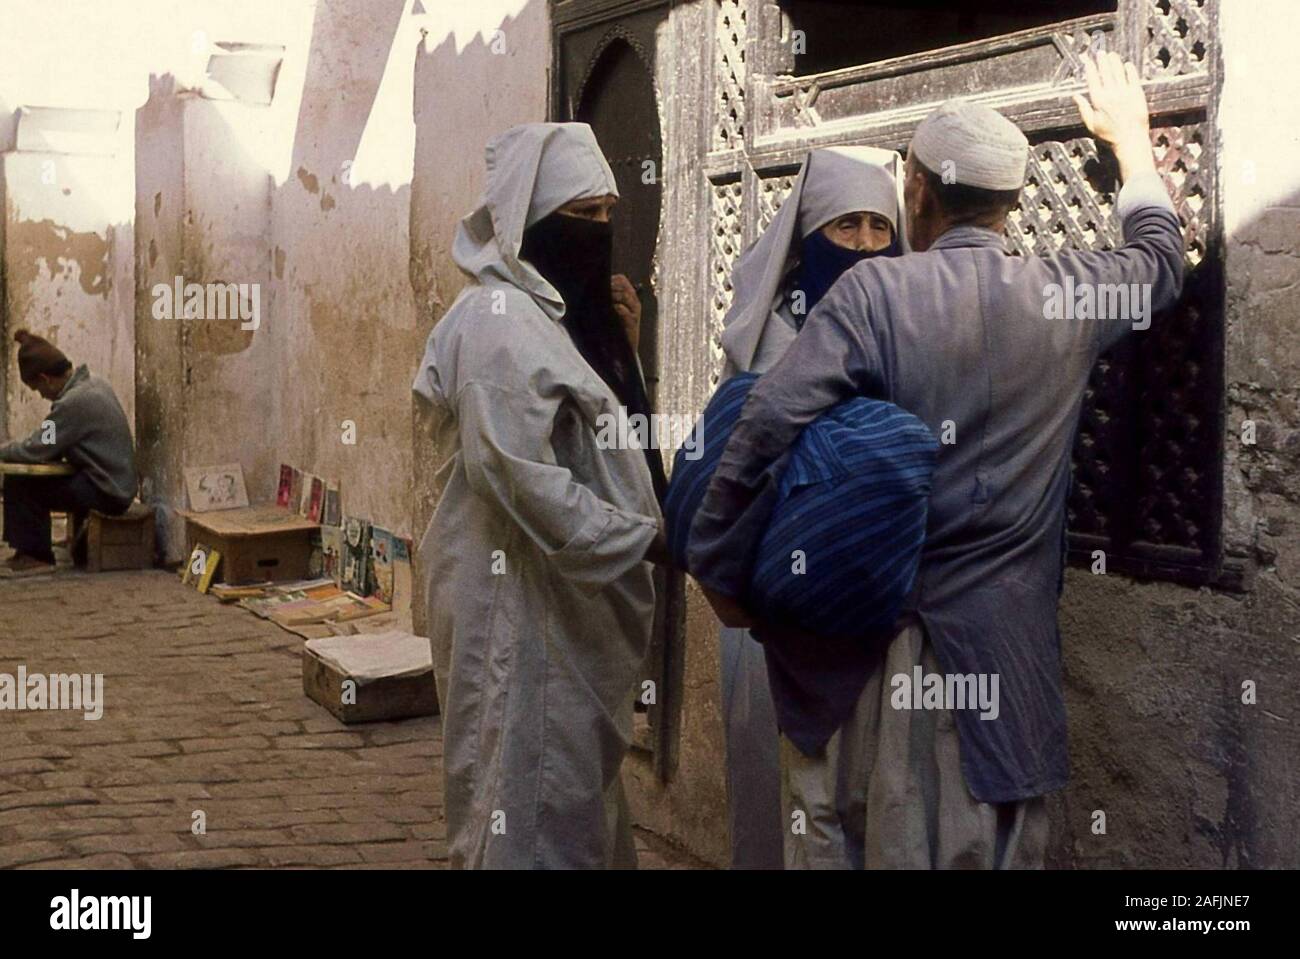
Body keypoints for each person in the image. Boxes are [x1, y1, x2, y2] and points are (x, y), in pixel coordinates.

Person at [687, 52, 1185, 868]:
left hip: (861, 666)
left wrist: (717, 568)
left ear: (915, 190)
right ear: (1012, 206)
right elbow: (1162, 263)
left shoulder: (874, 296)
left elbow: (765, 426)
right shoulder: (1066, 299)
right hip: (997, 678)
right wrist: (1131, 148)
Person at [411, 122, 669, 869]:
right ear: (532, 220)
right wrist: (641, 538)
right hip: (517, 604)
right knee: (516, 802)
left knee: (571, 803)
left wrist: (623, 348)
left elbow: (612, 440)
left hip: (573, 609)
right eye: (582, 216)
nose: (600, 232)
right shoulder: (496, 324)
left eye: (606, 215)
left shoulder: (554, 322)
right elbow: (518, 475)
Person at [715, 146, 906, 869]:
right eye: (843, 226)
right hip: (783, 596)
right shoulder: (772, 340)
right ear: (807, 236)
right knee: (794, 796)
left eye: (876, 227)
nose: (861, 244)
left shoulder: (904, 326)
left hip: (874, 593)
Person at [1, 330, 135, 571]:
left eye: (37, 388)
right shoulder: (94, 382)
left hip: (108, 491)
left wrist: (3, 450)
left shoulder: (72, 403)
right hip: (114, 482)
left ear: (46, 379)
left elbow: (37, 448)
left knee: (20, 482)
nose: (40, 395)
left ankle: (35, 555)